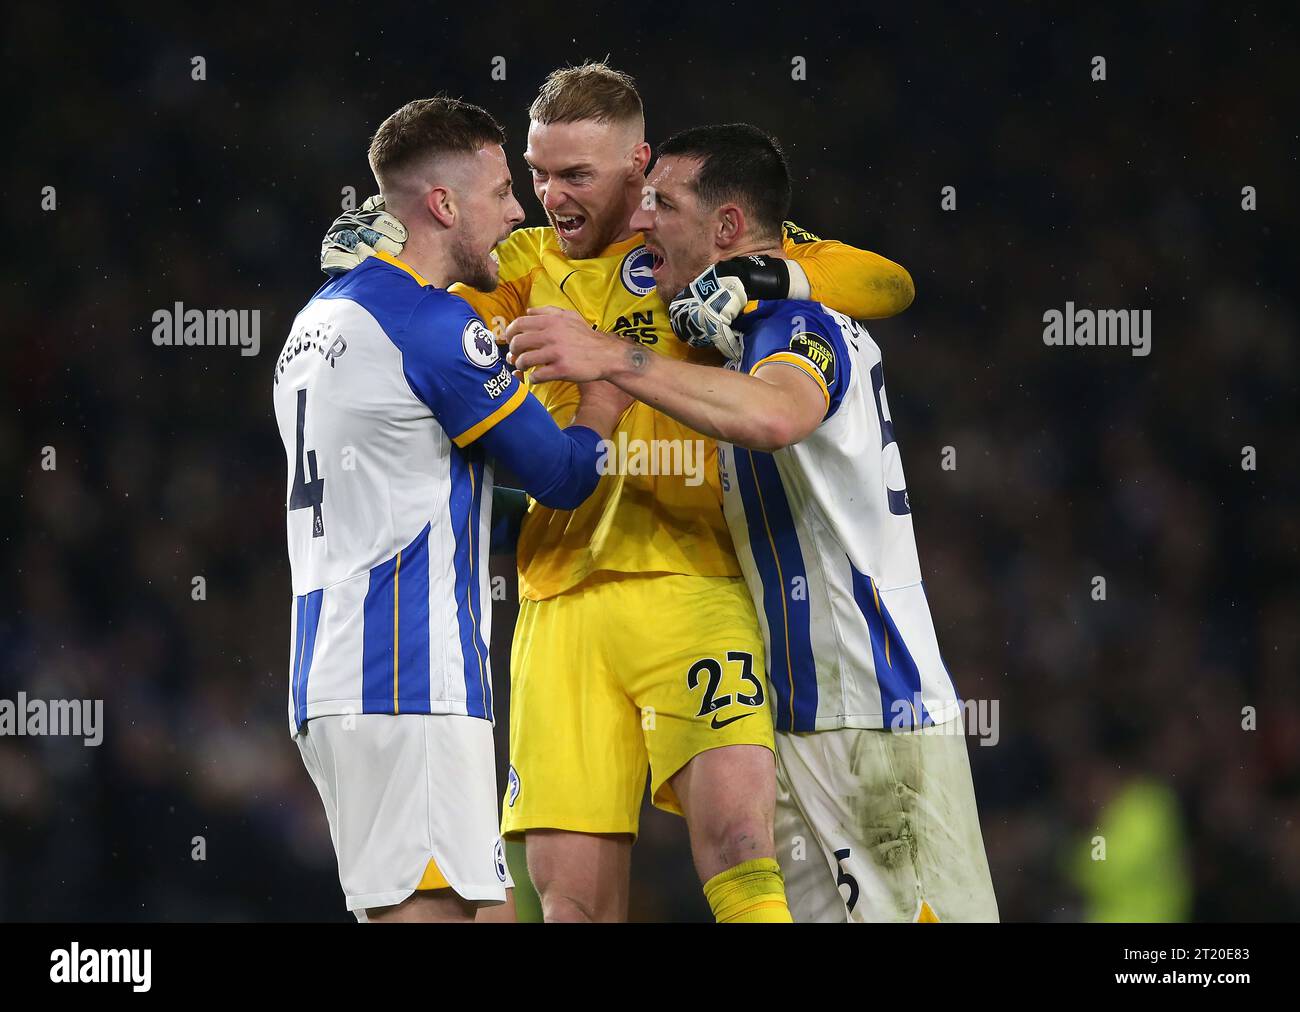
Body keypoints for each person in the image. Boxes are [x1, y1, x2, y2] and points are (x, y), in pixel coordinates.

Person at [320, 62, 916, 923]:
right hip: (557, 599)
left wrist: (772, 278)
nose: (549, 196)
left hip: (695, 581)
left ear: (639, 166)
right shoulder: (517, 265)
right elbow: (415, 286)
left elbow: (890, 283)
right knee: (570, 902)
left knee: (742, 848)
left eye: (576, 176)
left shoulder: (687, 249)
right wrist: (368, 255)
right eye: (536, 174)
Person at [506, 123, 999, 922]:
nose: (638, 221)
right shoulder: (722, 339)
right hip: (794, 714)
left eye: (660, 204)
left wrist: (613, 358)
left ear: (728, 229)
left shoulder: (797, 325)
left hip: (874, 713)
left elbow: (776, 413)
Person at [274, 96, 628, 923]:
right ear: (442, 205)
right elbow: (566, 476)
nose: (518, 211)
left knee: (488, 911)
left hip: (346, 675)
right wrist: (608, 380)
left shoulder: (318, 318)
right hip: (407, 681)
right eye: (503, 190)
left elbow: (428, 498)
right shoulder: (435, 328)